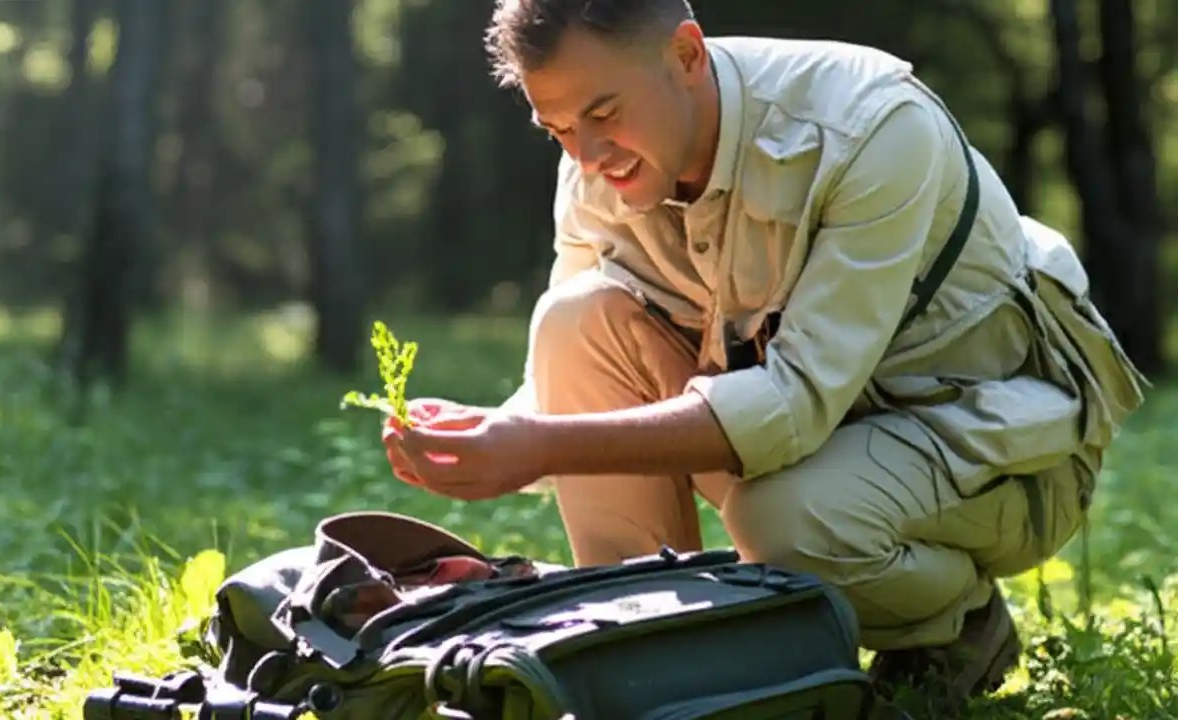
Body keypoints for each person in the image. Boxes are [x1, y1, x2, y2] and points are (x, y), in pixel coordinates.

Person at [382, 0, 1148, 709]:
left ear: (686, 55)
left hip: (990, 450)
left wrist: (536, 446)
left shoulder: (872, 125)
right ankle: (644, 654)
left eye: (603, 113)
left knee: (784, 523)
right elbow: (568, 382)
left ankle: (957, 624)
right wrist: (490, 434)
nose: (585, 155)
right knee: (574, 320)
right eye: (557, 130)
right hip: (820, 431)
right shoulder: (598, 164)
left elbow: (793, 404)